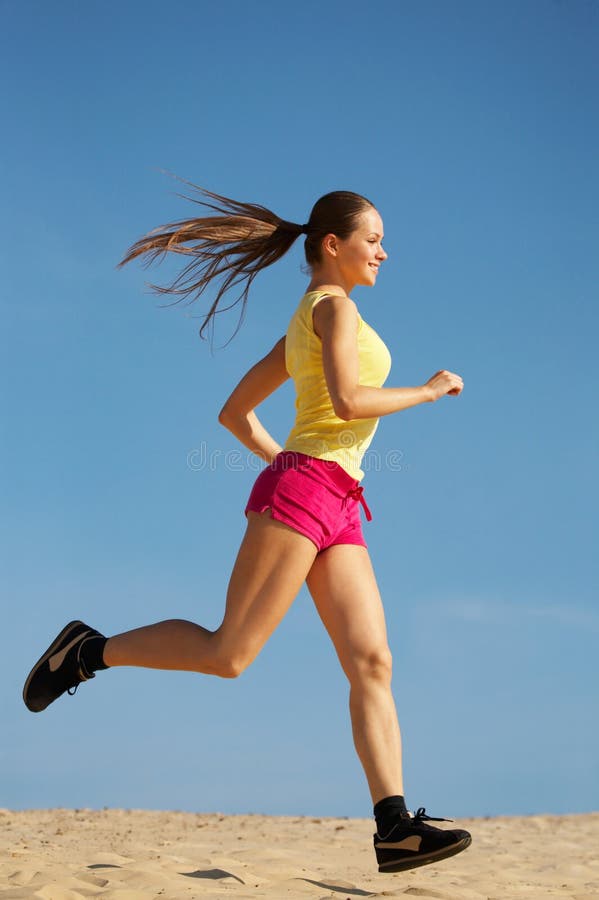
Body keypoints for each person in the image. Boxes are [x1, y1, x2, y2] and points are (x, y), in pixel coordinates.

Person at [23, 182, 471, 873]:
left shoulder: (309, 317)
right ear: (332, 244)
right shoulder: (334, 311)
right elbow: (349, 402)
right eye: (372, 238)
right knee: (229, 654)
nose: (384, 250)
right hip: (305, 496)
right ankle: (86, 652)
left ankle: (393, 827)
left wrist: (288, 462)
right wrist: (428, 390)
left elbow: (234, 413)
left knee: (372, 661)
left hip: (337, 501)